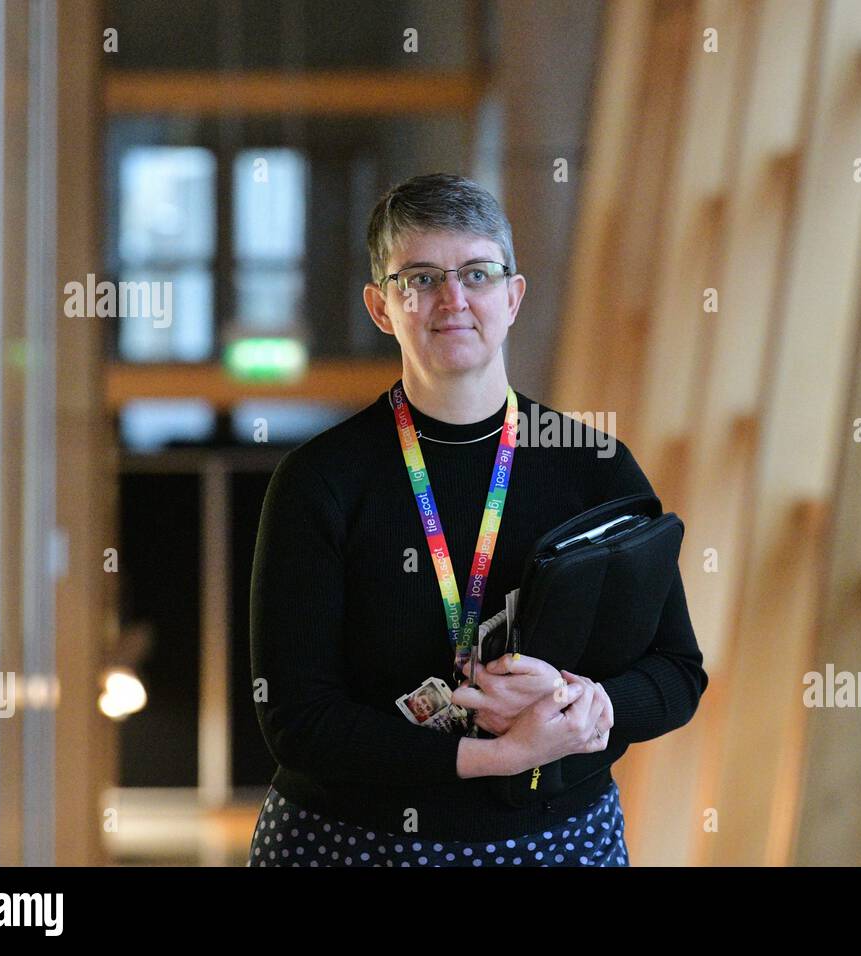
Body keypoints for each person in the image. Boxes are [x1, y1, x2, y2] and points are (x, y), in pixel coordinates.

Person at [247, 172, 708, 867]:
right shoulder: (320, 481)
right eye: (421, 278)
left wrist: (593, 705)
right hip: (352, 841)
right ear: (381, 307)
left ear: (513, 296)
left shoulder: (593, 465)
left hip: (556, 839)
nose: (453, 299)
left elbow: (677, 672)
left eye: (478, 274)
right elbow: (297, 721)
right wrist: (493, 755)